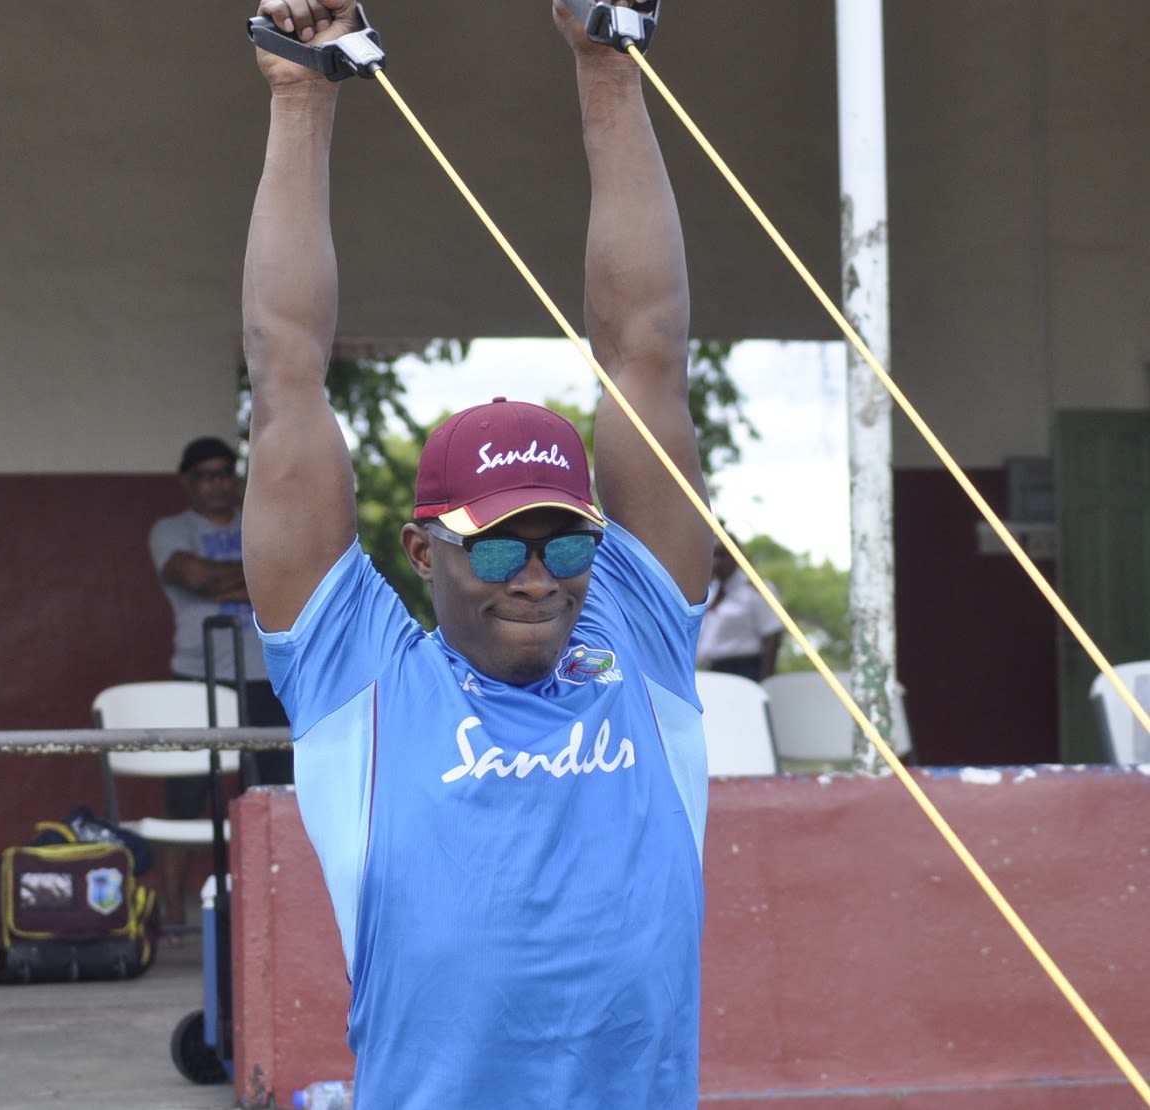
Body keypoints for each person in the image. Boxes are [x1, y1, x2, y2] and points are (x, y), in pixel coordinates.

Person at [243, 1, 713, 1105]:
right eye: (496, 553)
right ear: (422, 551)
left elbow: (644, 351)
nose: (538, 577)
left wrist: (606, 63)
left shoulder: (635, 637)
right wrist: (299, 97)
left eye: (562, 541)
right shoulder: (358, 676)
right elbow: (284, 378)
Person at [148, 435, 292, 926]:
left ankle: (281, 909)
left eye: (225, 473)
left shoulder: (261, 524)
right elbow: (195, 578)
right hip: (197, 675)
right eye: (206, 476)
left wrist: (233, 579)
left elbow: (289, 575)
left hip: (266, 677)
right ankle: (172, 914)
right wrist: (254, 580)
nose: (217, 485)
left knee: (278, 792)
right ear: (188, 483)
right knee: (185, 796)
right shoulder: (170, 530)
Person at [696, 538, 784, 681]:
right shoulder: (709, 592)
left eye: (723, 555)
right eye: (713, 555)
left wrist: (766, 683)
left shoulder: (756, 589)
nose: (717, 562)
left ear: (737, 556)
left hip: (745, 671)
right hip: (713, 672)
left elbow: (773, 635)